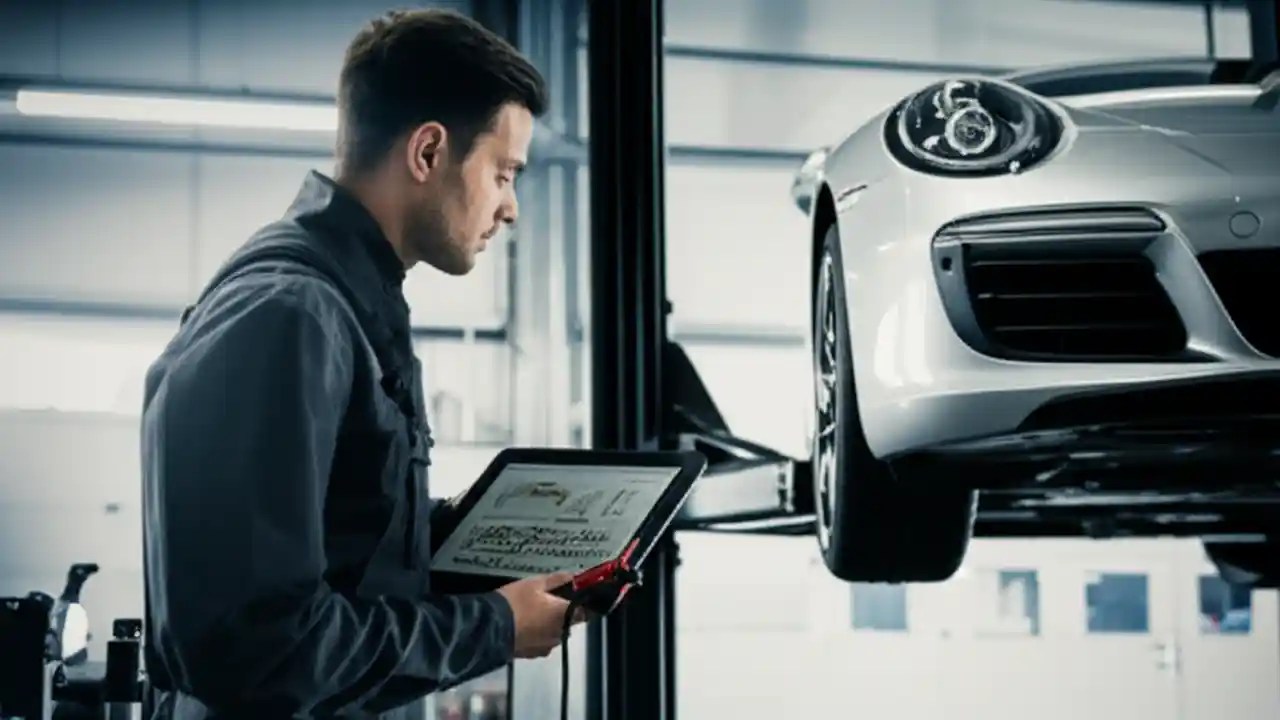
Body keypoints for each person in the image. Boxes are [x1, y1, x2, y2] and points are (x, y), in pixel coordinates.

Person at [139, 9, 583, 719]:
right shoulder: (290, 318)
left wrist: (482, 531)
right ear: (429, 152)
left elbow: (341, 547)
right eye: (504, 174)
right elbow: (266, 650)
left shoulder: (348, 307)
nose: (511, 209)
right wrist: (495, 627)